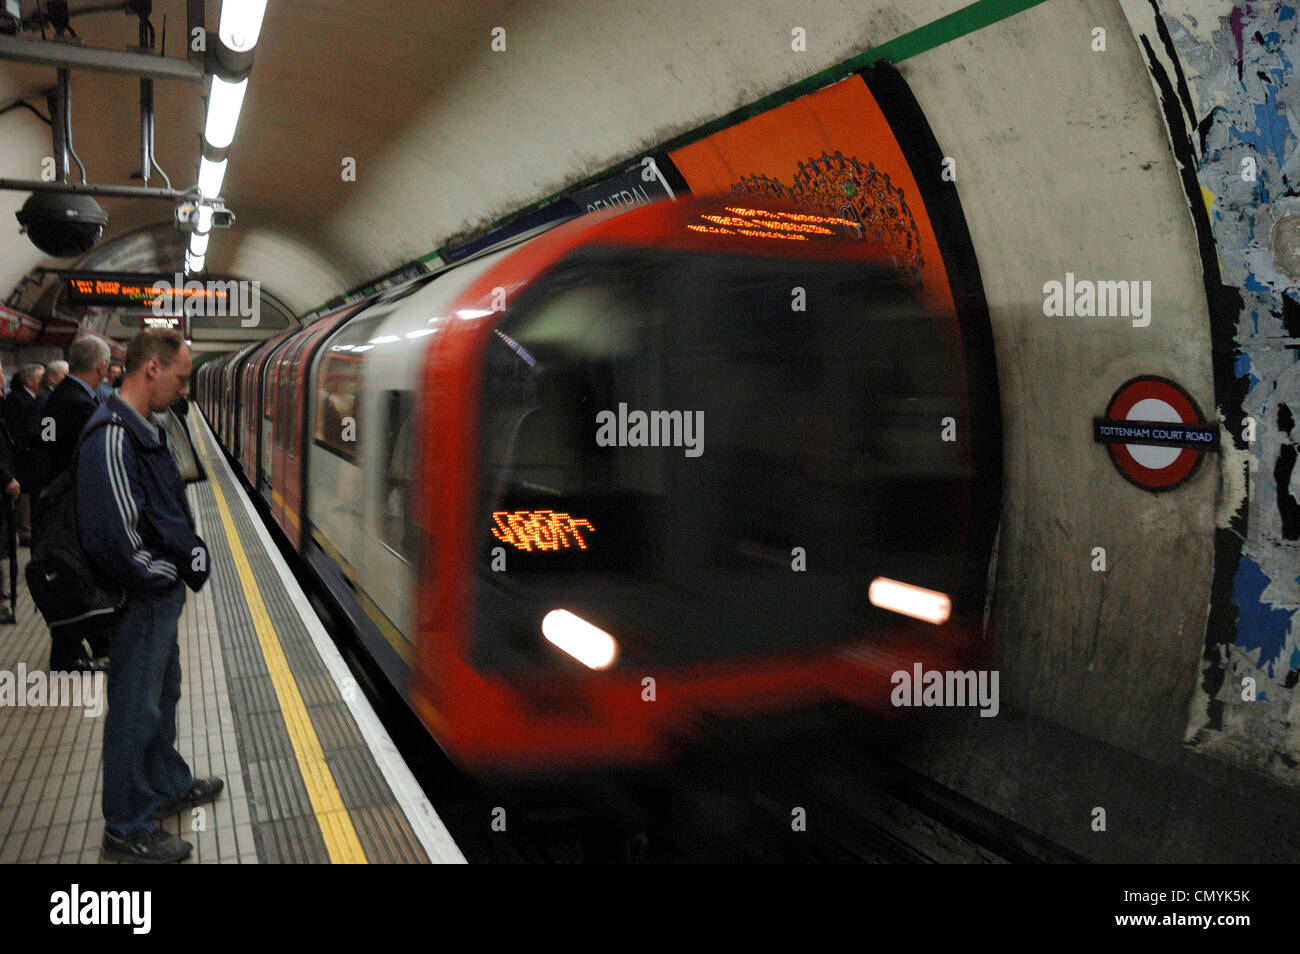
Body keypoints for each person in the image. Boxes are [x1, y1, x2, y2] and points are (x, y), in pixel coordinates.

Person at [77, 329, 221, 864]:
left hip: (158, 597)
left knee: (163, 698)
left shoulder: (145, 427)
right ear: (152, 370)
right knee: (135, 711)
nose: (184, 390)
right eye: (181, 377)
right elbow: (116, 539)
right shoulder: (113, 436)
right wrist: (163, 576)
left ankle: (165, 785)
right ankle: (126, 826)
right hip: (140, 601)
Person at [43, 336, 112, 671]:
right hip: (74, 505)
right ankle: (71, 653)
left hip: (61, 500)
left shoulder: (61, 397)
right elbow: (93, 458)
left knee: (76, 576)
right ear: (100, 366)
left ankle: (93, 645)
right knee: (77, 576)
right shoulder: (80, 403)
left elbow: (46, 447)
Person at [4, 364, 44, 546]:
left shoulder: (38, 399)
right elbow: (25, 429)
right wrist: (46, 437)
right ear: (30, 380)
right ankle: (24, 531)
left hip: (31, 455)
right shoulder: (19, 400)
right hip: (23, 456)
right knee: (25, 496)